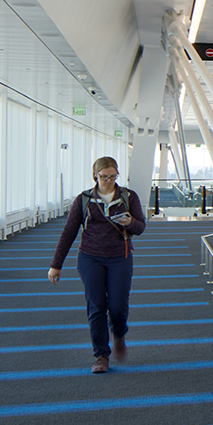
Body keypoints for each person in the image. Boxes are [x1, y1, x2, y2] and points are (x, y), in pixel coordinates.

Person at [48, 157, 146, 374]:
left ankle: (118, 333)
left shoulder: (128, 197)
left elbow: (140, 227)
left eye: (113, 176)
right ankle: (101, 355)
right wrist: (56, 264)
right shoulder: (83, 200)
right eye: (104, 176)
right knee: (97, 306)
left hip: (120, 257)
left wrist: (130, 222)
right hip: (90, 257)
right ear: (95, 176)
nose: (109, 181)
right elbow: (69, 232)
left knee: (118, 308)